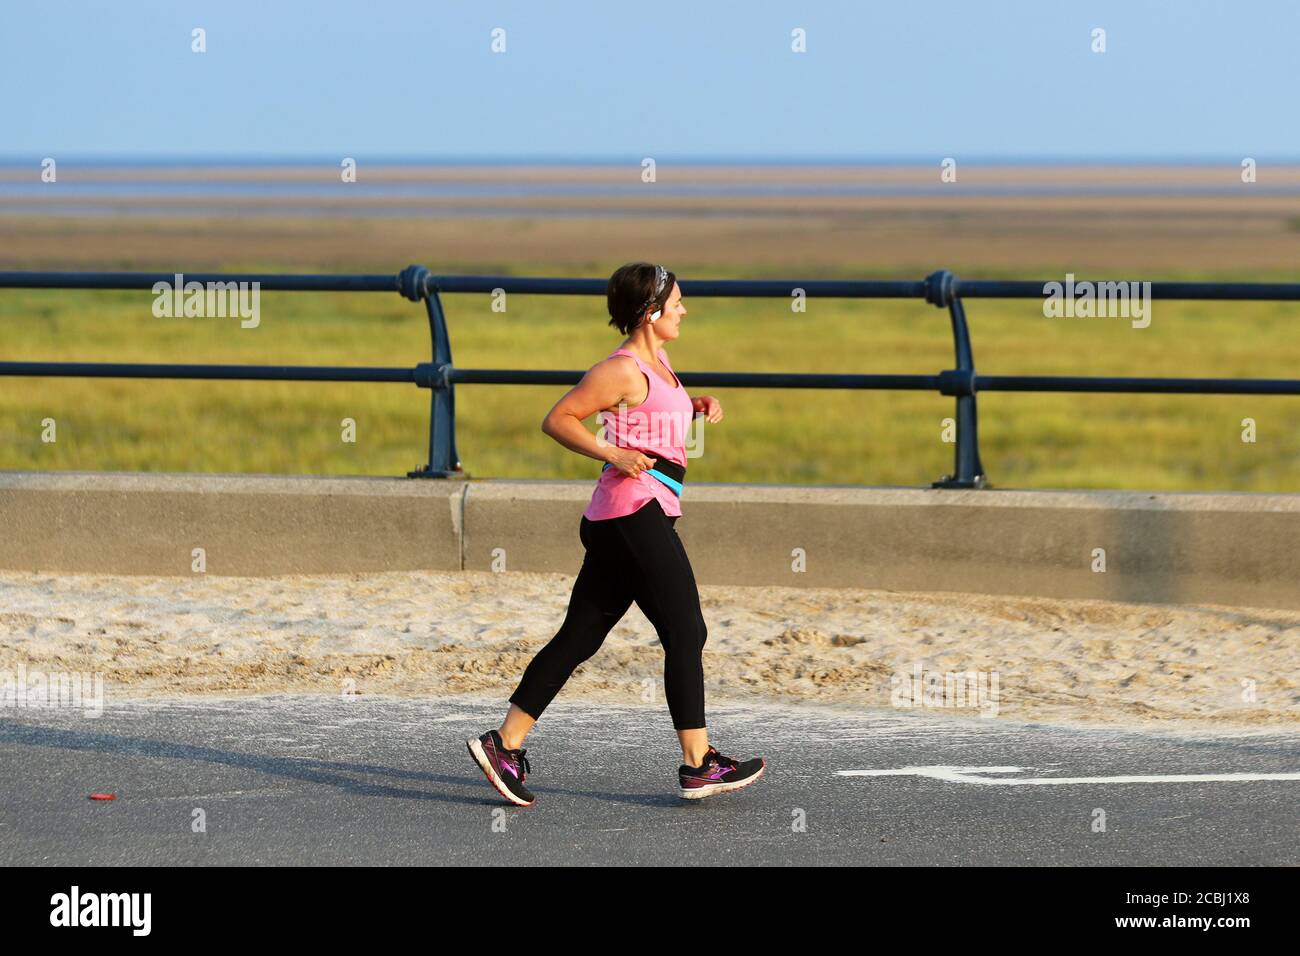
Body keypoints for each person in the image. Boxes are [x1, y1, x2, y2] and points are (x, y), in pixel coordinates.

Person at [467, 262, 766, 806]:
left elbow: (651, 418)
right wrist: (612, 452)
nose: (683, 310)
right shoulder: (622, 369)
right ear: (650, 312)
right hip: (632, 514)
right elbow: (559, 418)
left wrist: (694, 407)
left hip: (628, 517)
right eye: (675, 302)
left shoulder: (659, 362)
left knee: (580, 636)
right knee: (686, 629)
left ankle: (504, 743)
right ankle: (699, 764)